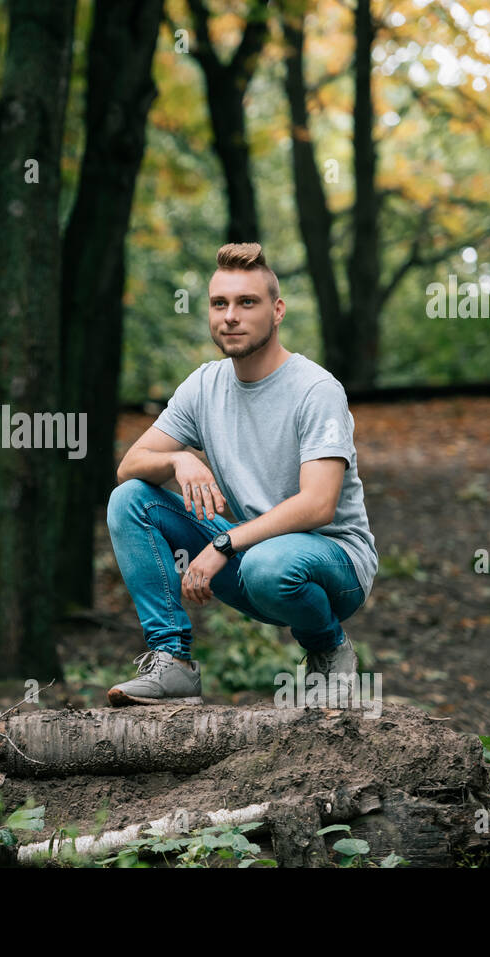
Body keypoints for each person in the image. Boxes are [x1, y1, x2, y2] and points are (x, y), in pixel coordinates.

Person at [106, 241, 378, 707]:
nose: (230, 316)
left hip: (334, 562)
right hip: (251, 556)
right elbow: (128, 466)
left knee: (269, 565)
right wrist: (178, 459)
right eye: (220, 303)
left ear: (277, 311)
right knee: (131, 499)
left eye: (246, 303)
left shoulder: (315, 389)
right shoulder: (204, 385)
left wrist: (223, 544)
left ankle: (329, 649)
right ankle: (172, 662)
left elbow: (318, 504)